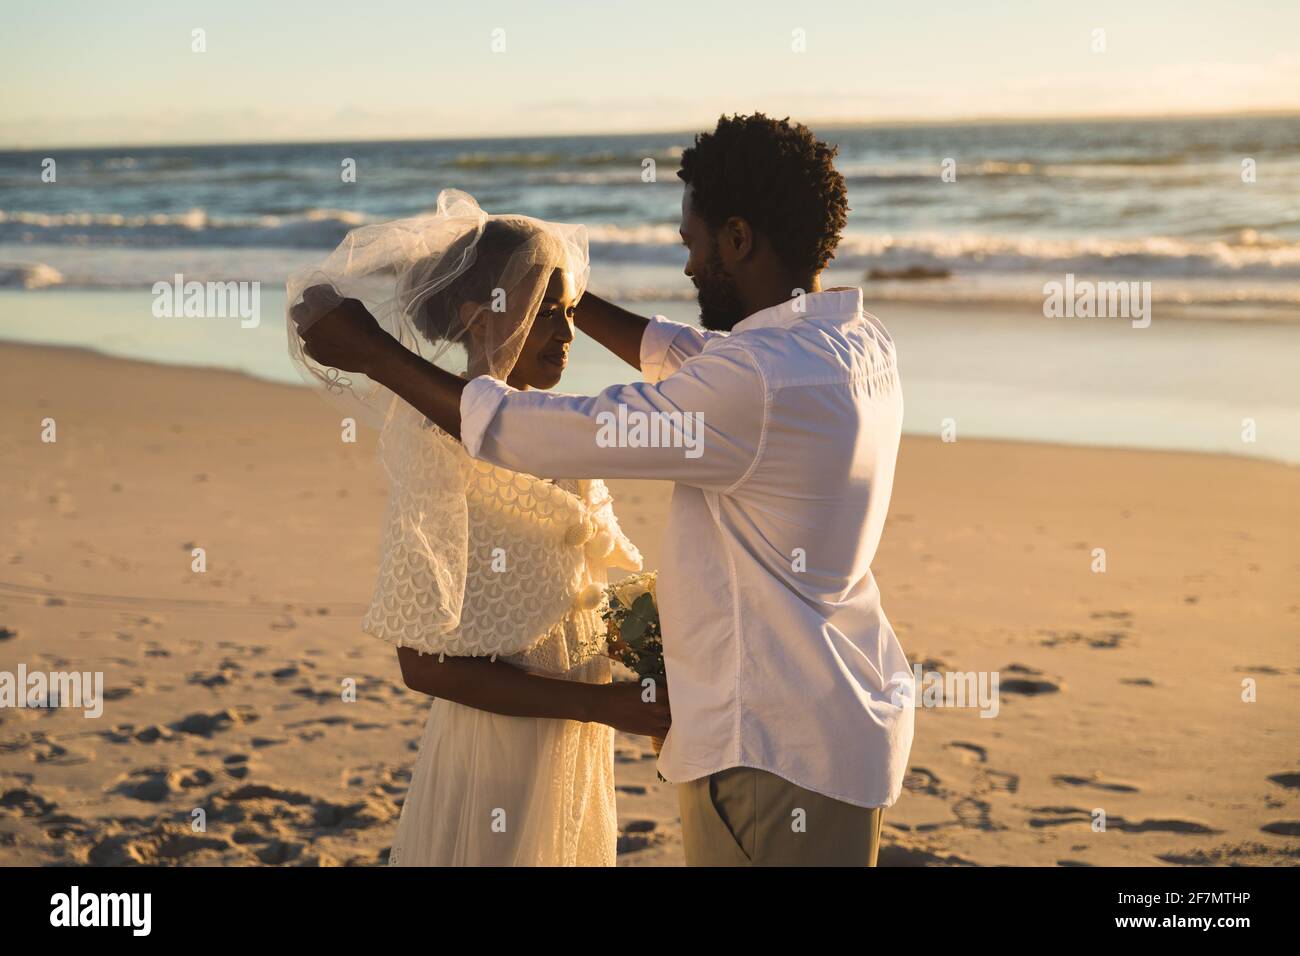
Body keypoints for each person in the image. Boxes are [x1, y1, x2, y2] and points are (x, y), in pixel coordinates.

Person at [294, 115, 915, 866]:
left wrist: (371, 352)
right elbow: (688, 357)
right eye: (546, 312)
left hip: (773, 747)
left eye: (693, 244)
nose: (687, 268)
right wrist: (539, 278)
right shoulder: (853, 345)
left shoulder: (755, 383)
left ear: (740, 239)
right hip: (841, 722)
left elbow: (524, 430)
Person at [287, 192, 665, 866]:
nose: (565, 334)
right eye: (543, 313)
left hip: (576, 747)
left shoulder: (555, 435)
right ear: (476, 316)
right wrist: (604, 706)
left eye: (568, 312)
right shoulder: (437, 446)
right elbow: (423, 665)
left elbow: (577, 601)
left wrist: (654, 662)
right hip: (500, 754)